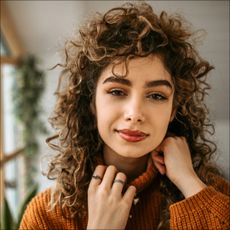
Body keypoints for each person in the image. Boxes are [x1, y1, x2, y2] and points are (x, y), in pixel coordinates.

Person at [20, 2, 229, 230]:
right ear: (91, 103)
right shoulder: (46, 215)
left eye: (157, 96)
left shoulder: (209, 195)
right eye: (117, 92)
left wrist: (189, 181)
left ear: (174, 109)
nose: (135, 114)